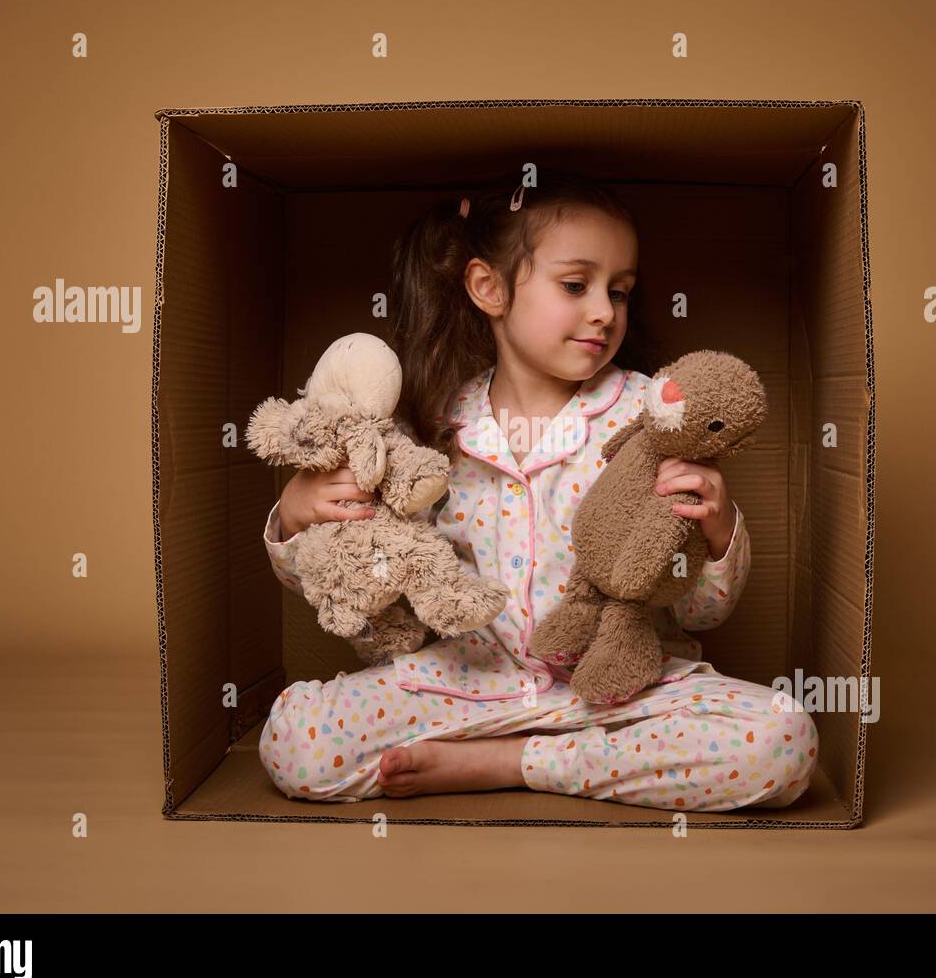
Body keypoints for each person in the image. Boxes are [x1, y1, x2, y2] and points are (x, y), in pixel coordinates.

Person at [258, 168, 818, 811]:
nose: (605, 311)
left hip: (618, 691)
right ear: (488, 287)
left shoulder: (651, 414)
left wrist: (718, 531)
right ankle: (506, 745)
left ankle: (515, 763)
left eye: (622, 290)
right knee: (295, 742)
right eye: (576, 285)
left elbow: (699, 613)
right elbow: (365, 588)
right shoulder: (433, 428)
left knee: (780, 737)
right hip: (465, 685)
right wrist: (297, 520)